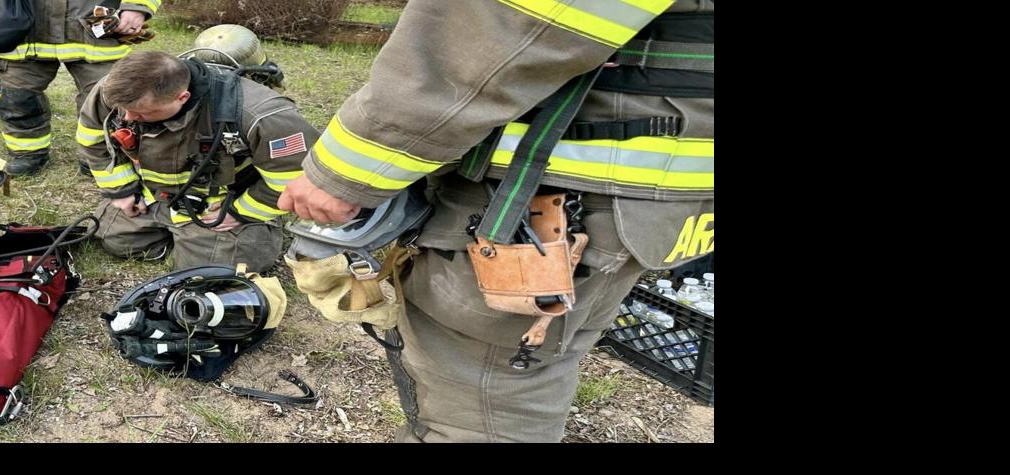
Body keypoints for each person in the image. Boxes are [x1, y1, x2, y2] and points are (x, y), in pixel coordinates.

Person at [280, 0, 715, 442]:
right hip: (627, 197)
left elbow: (498, 28)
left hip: (550, 196)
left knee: (480, 401)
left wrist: (342, 175)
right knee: (526, 370)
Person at [79, 50, 316, 272]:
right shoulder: (118, 91)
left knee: (209, 270)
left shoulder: (261, 115)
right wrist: (122, 191)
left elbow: (295, 179)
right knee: (112, 239)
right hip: (151, 195)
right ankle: (177, 234)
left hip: (219, 203)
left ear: (183, 97)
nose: (129, 117)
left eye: (142, 113)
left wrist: (241, 212)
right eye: (125, 110)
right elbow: (91, 137)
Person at [0, 0, 160, 175]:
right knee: (19, 98)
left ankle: (101, 155)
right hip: (20, 30)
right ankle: (27, 153)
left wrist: (138, 6)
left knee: (104, 100)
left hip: (96, 28)